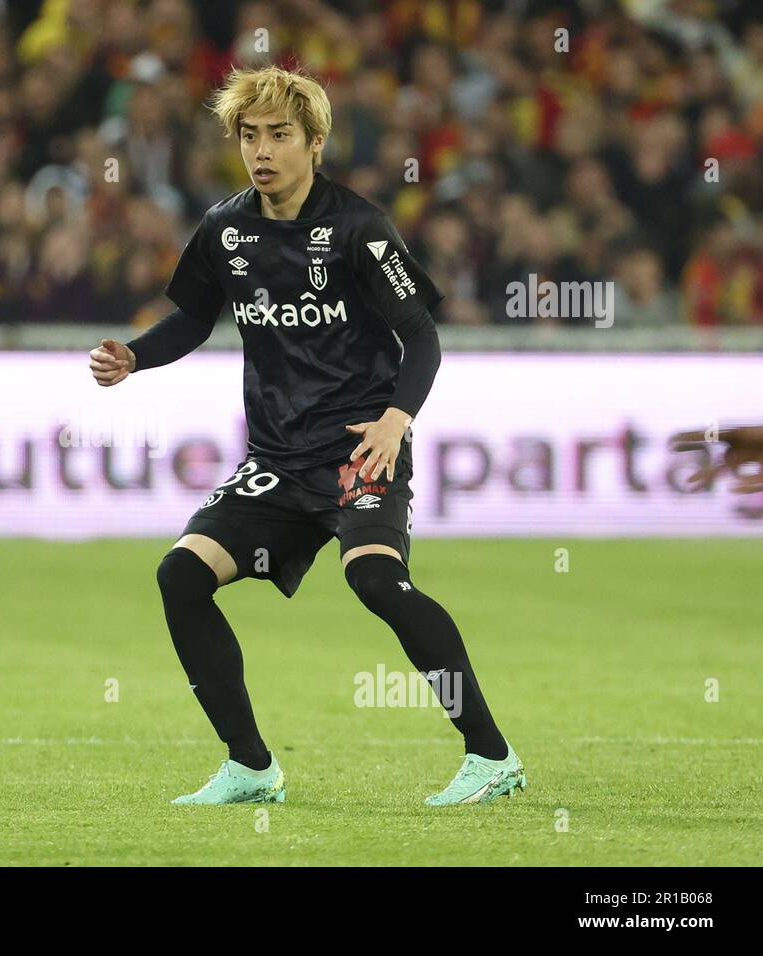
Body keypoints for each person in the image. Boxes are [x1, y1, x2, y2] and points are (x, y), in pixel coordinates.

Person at [88, 66, 524, 806]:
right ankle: (252, 768)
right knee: (181, 576)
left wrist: (395, 421)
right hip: (278, 461)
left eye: (280, 135)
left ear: (315, 143)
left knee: (376, 579)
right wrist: (136, 356)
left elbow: (421, 338)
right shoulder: (225, 229)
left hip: (360, 446)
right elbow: (195, 318)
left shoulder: (357, 228)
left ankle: (491, 755)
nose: (262, 150)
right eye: (249, 136)